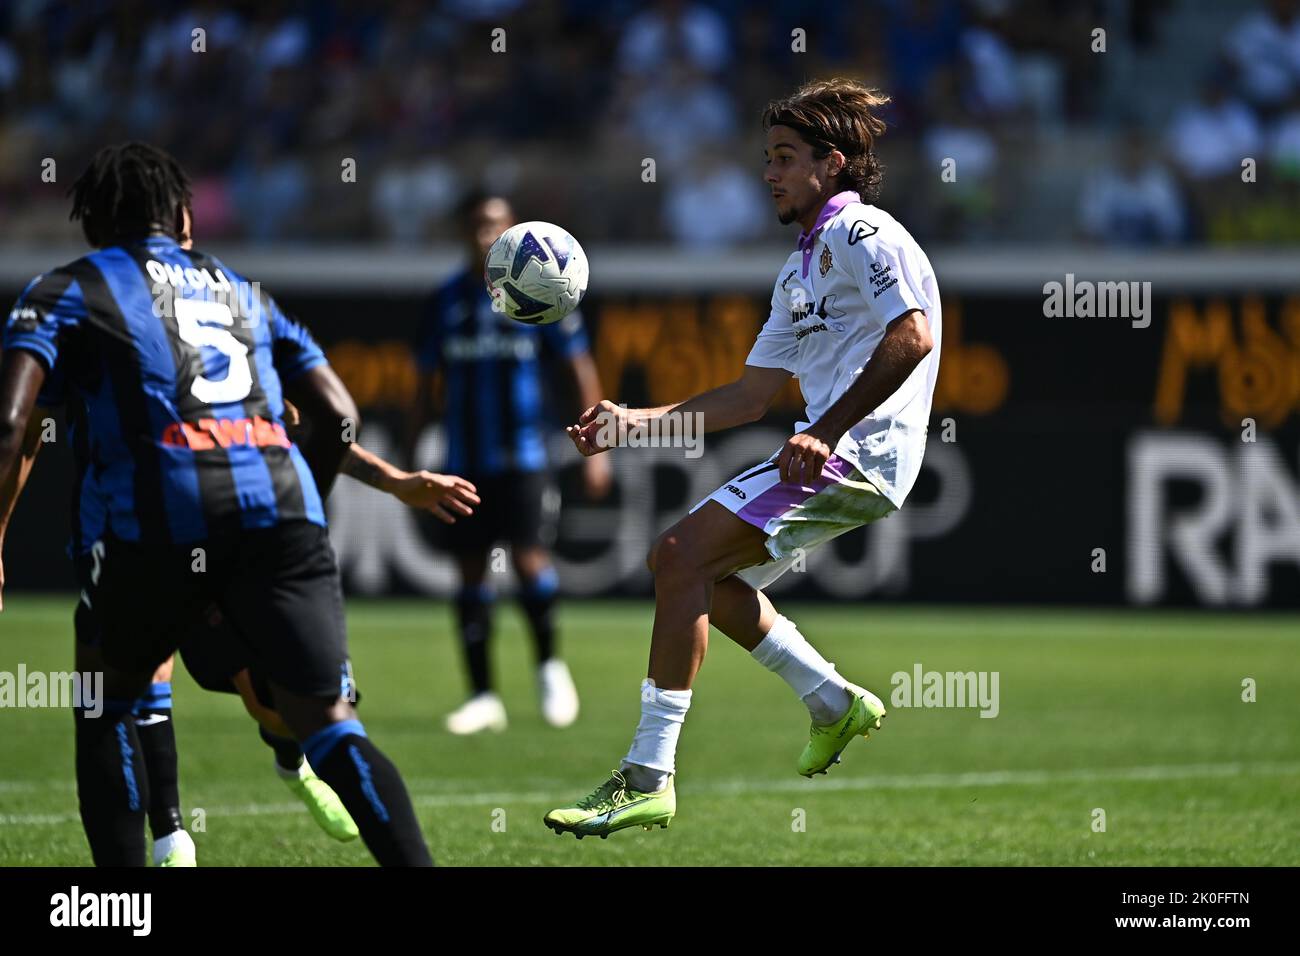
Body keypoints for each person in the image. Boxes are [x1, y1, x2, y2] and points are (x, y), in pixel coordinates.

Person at [0, 142, 438, 865]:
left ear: (94, 226)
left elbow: (12, 425)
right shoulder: (247, 292)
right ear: (183, 218)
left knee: (105, 702)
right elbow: (336, 416)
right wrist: (299, 519)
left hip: (156, 524)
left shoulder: (64, 290)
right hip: (282, 517)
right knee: (328, 723)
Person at [544, 78, 942, 839]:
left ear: (832, 165)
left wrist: (825, 429)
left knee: (677, 556)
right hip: (849, 451)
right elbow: (746, 400)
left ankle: (645, 777)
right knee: (701, 578)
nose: (770, 173)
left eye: (786, 158)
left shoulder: (864, 236)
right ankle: (832, 700)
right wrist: (634, 424)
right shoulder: (798, 273)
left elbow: (912, 336)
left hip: (860, 449)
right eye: (768, 158)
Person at [407, 191, 610, 735]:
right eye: (474, 225)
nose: (482, 236)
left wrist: (597, 443)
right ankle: (482, 696)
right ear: (460, 231)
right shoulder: (444, 300)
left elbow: (577, 368)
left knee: (529, 560)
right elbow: (426, 386)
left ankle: (549, 667)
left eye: (493, 225)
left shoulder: (538, 290)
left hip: (524, 455)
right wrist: (410, 455)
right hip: (463, 459)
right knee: (470, 567)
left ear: (512, 231)